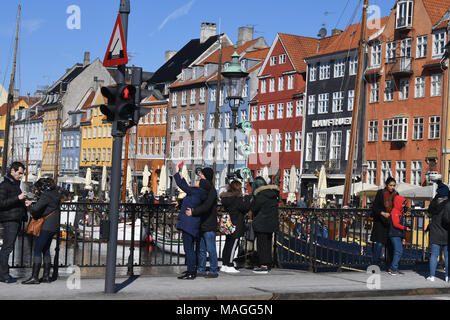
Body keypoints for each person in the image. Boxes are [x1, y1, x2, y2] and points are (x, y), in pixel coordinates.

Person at [22, 178, 62, 284]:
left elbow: (36, 210)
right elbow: (48, 206)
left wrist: (29, 206)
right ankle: (46, 277)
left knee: (37, 250)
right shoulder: (56, 194)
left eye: (39, 188)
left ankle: (34, 277)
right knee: (46, 249)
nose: (38, 190)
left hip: (46, 226)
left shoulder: (46, 195)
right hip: (54, 226)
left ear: (43, 187)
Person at [174, 163, 209, 280]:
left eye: (199, 180)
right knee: (189, 248)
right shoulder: (199, 193)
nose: (197, 180)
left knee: (189, 249)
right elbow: (187, 192)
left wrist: (177, 173)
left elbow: (182, 186)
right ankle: (190, 270)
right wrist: (179, 203)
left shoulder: (197, 191)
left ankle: (191, 272)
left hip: (189, 223)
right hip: (191, 223)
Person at [0, 162, 31, 283]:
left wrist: (24, 203)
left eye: (22, 174)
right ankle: (4, 275)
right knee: (7, 248)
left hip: (15, 219)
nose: (21, 176)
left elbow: (13, 202)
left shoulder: (14, 184)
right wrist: (18, 198)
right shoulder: (4, 185)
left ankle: (3, 274)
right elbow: (1, 203)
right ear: (12, 171)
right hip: (9, 220)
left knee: (8, 247)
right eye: (19, 173)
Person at [186, 167, 219, 278]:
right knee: (201, 249)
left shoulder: (211, 190)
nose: (199, 176)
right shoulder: (204, 189)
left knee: (210, 249)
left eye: (202, 174)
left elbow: (206, 206)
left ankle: (214, 270)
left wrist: (194, 212)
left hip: (209, 223)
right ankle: (201, 269)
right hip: (202, 222)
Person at [219, 180, 251, 273]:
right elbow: (245, 208)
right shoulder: (236, 199)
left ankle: (224, 264)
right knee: (233, 245)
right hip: (236, 224)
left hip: (229, 224)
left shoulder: (226, 198)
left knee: (227, 244)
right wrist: (248, 198)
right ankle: (229, 264)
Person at [250, 176, 279, 274]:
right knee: (268, 243)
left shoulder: (260, 196)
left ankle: (263, 265)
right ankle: (268, 264)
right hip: (271, 224)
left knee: (261, 245)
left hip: (261, 223)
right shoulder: (273, 195)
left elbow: (254, 208)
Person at [370, 177, 397, 270]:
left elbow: (399, 206)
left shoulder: (396, 194)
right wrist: (382, 213)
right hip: (380, 222)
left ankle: (389, 264)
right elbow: (374, 207)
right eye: (390, 185)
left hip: (391, 222)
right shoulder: (380, 193)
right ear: (386, 185)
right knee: (378, 244)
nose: (392, 187)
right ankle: (375, 264)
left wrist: (405, 209)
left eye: (394, 185)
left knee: (390, 244)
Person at [426, 182, 449, 282]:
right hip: (446, 232)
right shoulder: (448, 204)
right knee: (447, 256)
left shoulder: (433, 203)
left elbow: (429, 214)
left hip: (435, 231)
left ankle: (431, 276)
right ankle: (447, 276)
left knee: (434, 255)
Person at [388, 194, 410, 276]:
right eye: (402, 203)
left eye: (404, 203)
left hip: (397, 234)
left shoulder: (399, 211)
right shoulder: (395, 211)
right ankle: (393, 268)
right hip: (394, 234)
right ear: (398, 203)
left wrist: (403, 237)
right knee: (398, 251)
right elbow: (396, 224)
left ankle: (393, 267)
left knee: (398, 251)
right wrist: (405, 228)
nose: (403, 205)